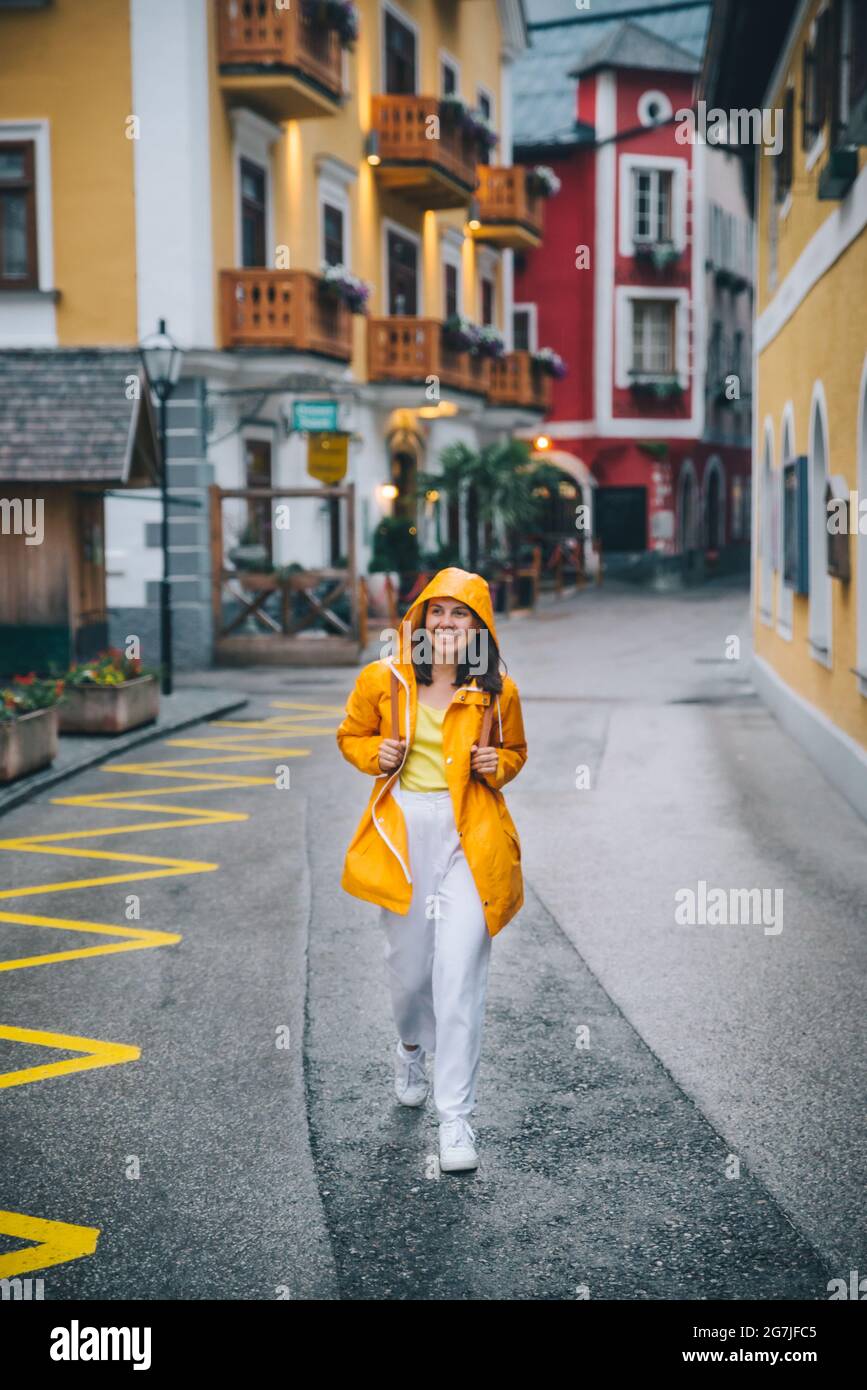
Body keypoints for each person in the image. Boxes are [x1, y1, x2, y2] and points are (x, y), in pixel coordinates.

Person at [335, 567, 528, 1173]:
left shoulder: (498, 692)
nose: (446, 623)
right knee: (411, 972)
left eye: (461, 613)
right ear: (419, 619)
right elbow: (350, 735)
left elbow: (516, 753)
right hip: (404, 836)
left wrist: (497, 763)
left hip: (469, 836)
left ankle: (456, 1122)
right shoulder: (384, 680)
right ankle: (410, 1048)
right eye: (437, 611)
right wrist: (376, 753)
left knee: (458, 974)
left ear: (479, 627)